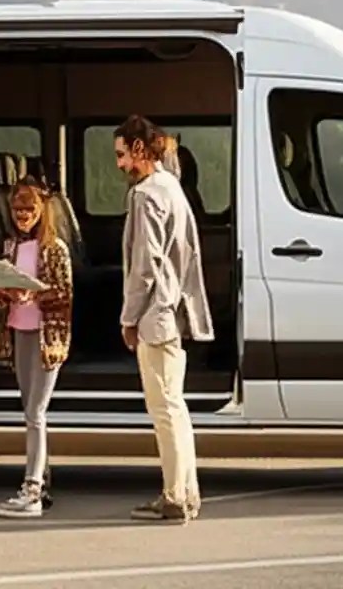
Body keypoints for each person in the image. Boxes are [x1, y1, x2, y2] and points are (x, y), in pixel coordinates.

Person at [114, 115, 214, 524]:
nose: (119, 164)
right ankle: (186, 491)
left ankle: (174, 495)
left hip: (156, 316)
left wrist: (128, 317)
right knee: (177, 407)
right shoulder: (173, 188)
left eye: (122, 154)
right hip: (175, 311)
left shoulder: (146, 195)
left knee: (164, 410)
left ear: (140, 149)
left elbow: (144, 265)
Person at [0, 176, 74, 519]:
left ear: (42, 210)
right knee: (29, 409)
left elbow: (65, 294)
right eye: (17, 208)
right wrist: (3, 292)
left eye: (29, 208)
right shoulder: (10, 247)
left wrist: (33, 294)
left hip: (46, 337)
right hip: (18, 332)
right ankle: (40, 479)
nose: (22, 214)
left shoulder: (54, 249)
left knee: (36, 412)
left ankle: (32, 487)